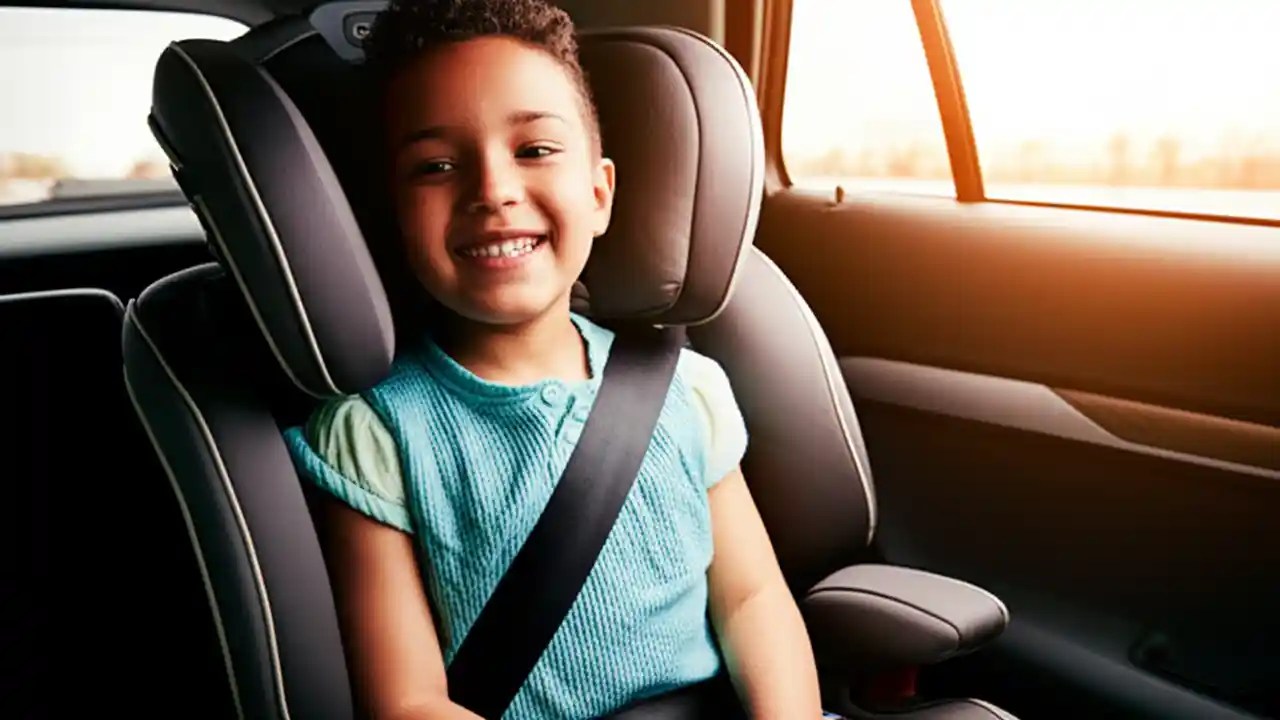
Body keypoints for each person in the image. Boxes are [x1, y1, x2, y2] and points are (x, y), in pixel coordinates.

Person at [283, 1, 828, 717]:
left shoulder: (684, 389)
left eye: (535, 150)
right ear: (393, 216)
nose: (493, 191)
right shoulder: (375, 433)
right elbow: (408, 702)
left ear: (599, 195)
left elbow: (754, 599)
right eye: (437, 166)